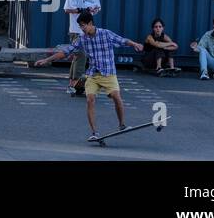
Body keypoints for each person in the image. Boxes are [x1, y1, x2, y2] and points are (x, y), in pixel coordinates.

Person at [35, 12, 144, 141]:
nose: (82, 29)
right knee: (90, 99)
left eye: (83, 26)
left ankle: (122, 125)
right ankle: (94, 132)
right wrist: (46, 60)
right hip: (92, 74)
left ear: (91, 23)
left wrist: (135, 44)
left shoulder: (105, 34)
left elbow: (123, 40)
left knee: (116, 97)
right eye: (80, 26)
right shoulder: (82, 39)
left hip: (109, 73)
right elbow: (66, 52)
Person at [62, 0, 101, 96]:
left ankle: (72, 85)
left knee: (78, 56)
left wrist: (94, 9)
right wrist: (82, 10)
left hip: (88, 30)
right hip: (76, 29)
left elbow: (97, 7)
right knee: (81, 56)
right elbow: (67, 9)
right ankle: (75, 84)